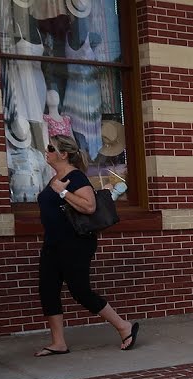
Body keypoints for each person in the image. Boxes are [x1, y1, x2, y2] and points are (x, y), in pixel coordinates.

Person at [33, 133, 138, 356]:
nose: (46, 151)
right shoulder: (55, 178)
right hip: (53, 242)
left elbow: (89, 206)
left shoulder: (76, 177)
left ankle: (123, 326)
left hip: (76, 243)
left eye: (50, 148)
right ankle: (58, 342)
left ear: (63, 154)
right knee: (48, 290)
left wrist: (62, 192)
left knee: (80, 291)